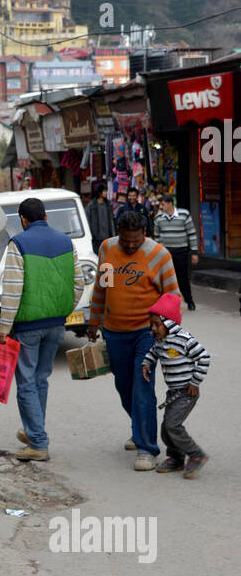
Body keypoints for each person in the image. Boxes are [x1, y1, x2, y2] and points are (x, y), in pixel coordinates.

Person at [87, 210, 180, 470]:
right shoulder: (107, 248)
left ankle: (147, 448)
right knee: (124, 387)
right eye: (125, 240)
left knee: (142, 388)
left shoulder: (160, 255)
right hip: (114, 332)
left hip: (145, 334)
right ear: (118, 233)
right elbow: (101, 288)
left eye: (135, 241)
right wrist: (94, 322)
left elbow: (173, 297)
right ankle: (139, 428)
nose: (129, 245)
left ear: (145, 234)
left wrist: (171, 335)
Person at [0, 197, 85, 462]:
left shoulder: (19, 243)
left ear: (22, 220)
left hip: (28, 327)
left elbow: (12, 289)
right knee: (40, 379)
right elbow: (78, 283)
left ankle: (38, 442)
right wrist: (65, 310)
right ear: (46, 217)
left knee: (25, 383)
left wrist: (4, 327)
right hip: (56, 325)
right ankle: (34, 430)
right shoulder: (66, 242)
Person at [142, 293, 210, 479]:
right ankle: (176, 458)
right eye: (152, 324)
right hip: (173, 392)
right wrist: (146, 363)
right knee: (166, 429)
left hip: (187, 392)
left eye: (157, 324)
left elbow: (204, 357)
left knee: (173, 425)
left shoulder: (184, 339)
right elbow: (153, 352)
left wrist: (195, 382)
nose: (153, 328)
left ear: (170, 323)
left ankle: (196, 455)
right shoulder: (159, 341)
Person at [153, 194, 199, 311]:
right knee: (166, 279)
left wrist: (194, 252)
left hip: (181, 251)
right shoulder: (159, 218)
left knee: (182, 278)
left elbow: (192, 234)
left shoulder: (184, 214)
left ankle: (189, 300)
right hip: (165, 253)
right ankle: (169, 304)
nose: (161, 207)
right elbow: (157, 237)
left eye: (163, 204)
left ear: (170, 203)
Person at [85, 182, 114, 250]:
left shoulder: (108, 204)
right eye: (104, 191)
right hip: (96, 238)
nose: (106, 193)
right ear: (99, 192)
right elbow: (87, 221)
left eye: (106, 191)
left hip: (108, 237)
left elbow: (112, 221)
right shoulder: (91, 205)